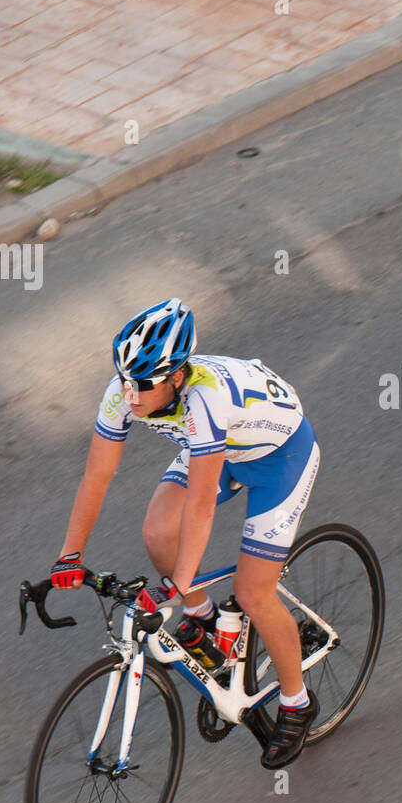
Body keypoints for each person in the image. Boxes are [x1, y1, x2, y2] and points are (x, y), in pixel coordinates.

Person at [49, 298, 320, 769]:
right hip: (220, 451)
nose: (129, 395)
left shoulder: (206, 399)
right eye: (123, 379)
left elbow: (200, 507)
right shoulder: (123, 394)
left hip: (281, 458)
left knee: (254, 593)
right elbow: (96, 477)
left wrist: (177, 583)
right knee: (157, 532)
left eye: (143, 384)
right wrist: (69, 555)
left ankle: (297, 703)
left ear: (176, 377)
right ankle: (205, 621)